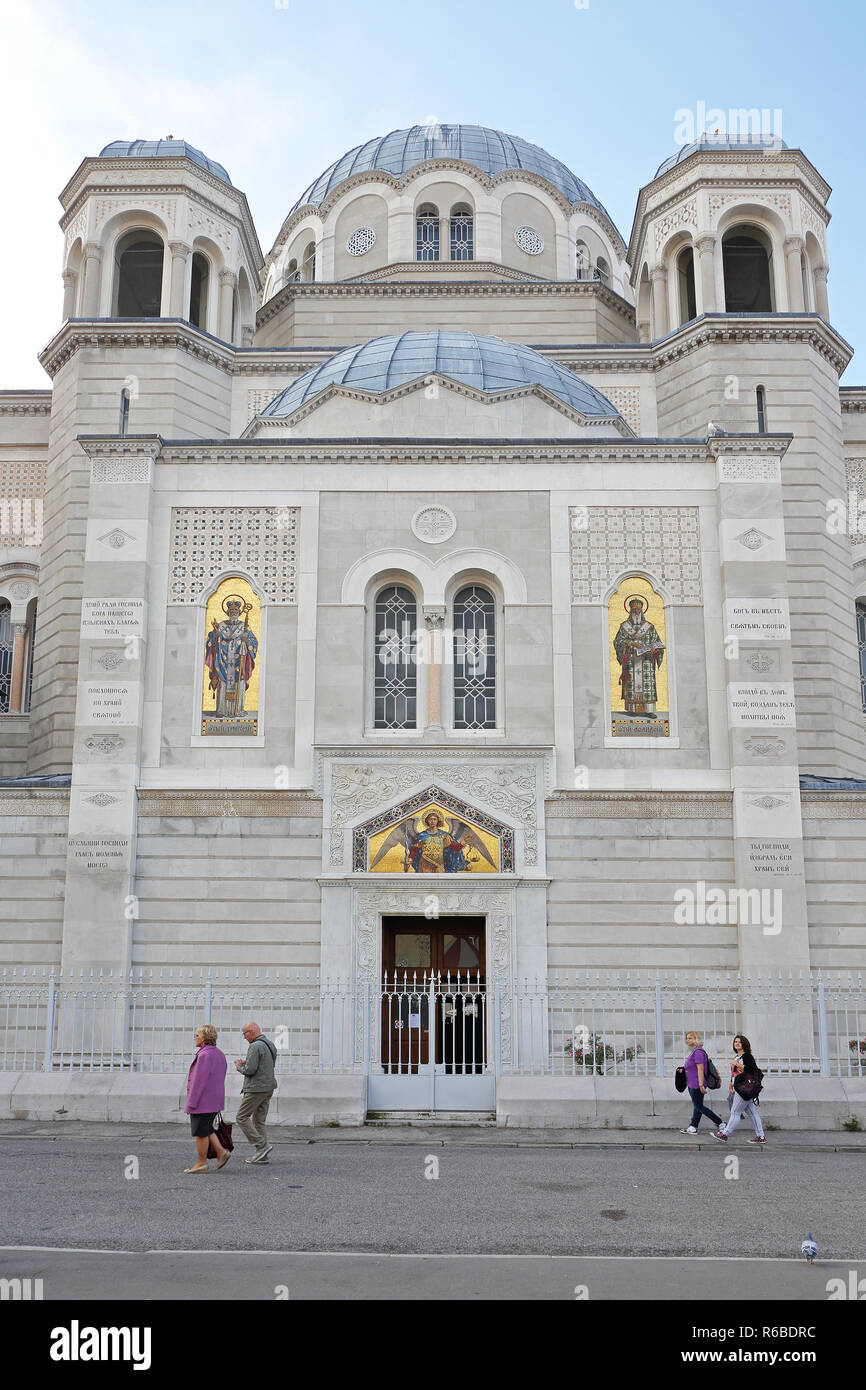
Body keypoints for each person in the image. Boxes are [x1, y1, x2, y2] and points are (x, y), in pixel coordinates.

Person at [184, 1024, 231, 1173]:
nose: (195, 1038)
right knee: (206, 1128)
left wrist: (191, 1103)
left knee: (200, 1132)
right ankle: (221, 1151)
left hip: (202, 1101)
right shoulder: (219, 1053)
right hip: (214, 1100)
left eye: (197, 1035)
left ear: (203, 1038)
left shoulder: (204, 1055)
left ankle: (201, 1163)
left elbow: (199, 1082)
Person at [234, 1021, 278, 1164]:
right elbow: (264, 1065)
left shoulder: (254, 1046)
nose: (244, 1037)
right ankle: (262, 1155)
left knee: (241, 1117)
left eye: (244, 1034)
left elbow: (250, 1070)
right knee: (259, 1121)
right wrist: (247, 1063)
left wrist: (239, 1066)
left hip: (256, 1089)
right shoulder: (269, 1044)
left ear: (251, 1032)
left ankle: (261, 1145)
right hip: (268, 1087)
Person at [712, 1034, 766, 1143]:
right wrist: (731, 1084)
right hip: (739, 1087)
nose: (736, 1043)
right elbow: (735, 1074)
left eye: (739, 1042)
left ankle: (725, 1134)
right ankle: (760, 1136)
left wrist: (738, 1064)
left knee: (735, 1112)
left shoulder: (747, 1056)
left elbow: (752, 1069)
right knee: (752, 1113)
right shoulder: (737, 1057)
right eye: (735, 1041)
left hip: (744, 1089)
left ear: (744, 1044)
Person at [680, 1029, 722, 1134]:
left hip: (696, 1084)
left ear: (696, 1039)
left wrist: (700, 1085)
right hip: (691, 1083)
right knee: (697, 1106)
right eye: (686, 1038)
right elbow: (692, 1067)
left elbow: (700, 1069)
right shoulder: (694, 1051)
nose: (687, 1040)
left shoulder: (698, 1052)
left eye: (690, 1038)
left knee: (699, 1106)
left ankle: (721, 1123)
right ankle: (693, 1127)